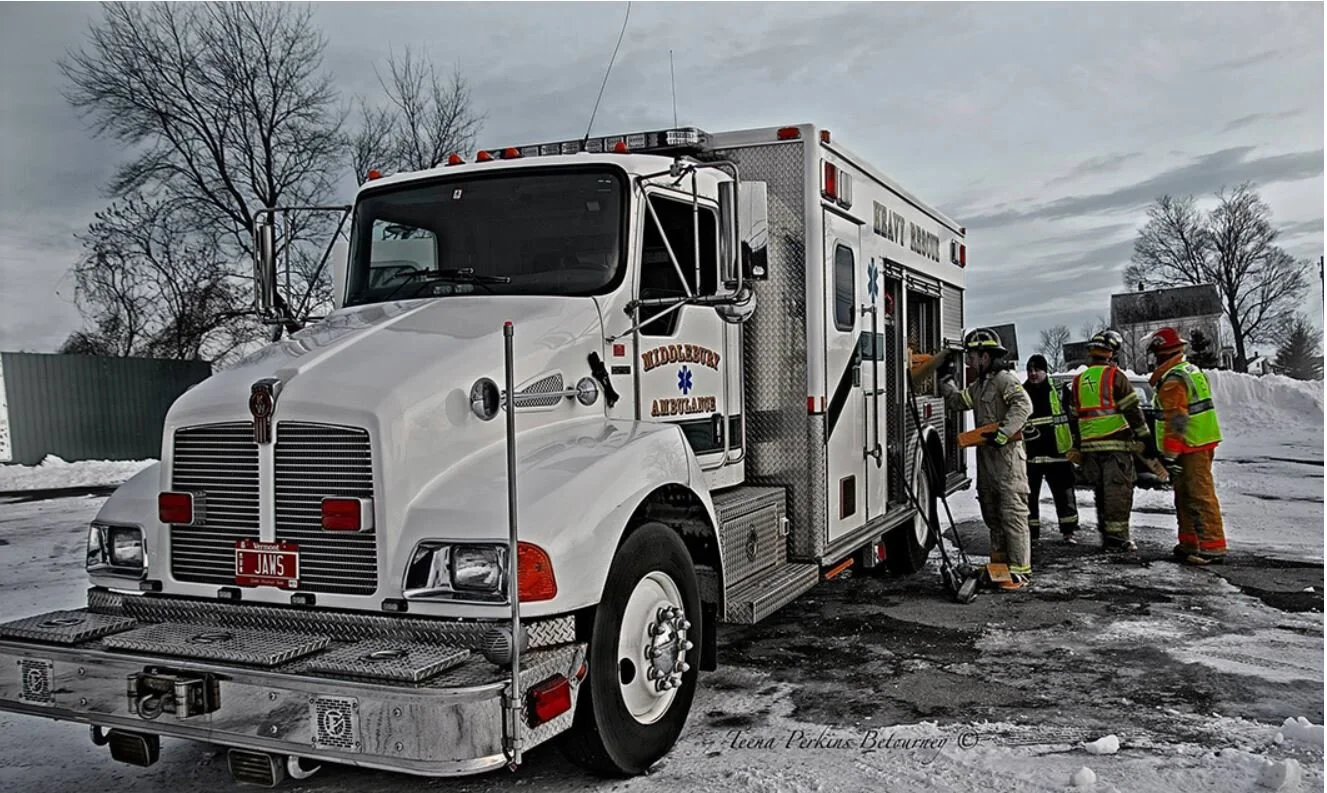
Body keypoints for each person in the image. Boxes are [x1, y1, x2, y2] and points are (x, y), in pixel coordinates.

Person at [938, 328, 1034, 589]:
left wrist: (1004, 433)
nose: (969, 362)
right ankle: (1000, 568)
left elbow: (1023, 405)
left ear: (985, 356)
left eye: (971, 357)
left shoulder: (1005, 380)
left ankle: (1019, 572)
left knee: (1012, 514)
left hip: (1008, 460)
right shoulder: (980, 386)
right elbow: (958, 401)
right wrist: (945, 380)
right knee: (993, 515)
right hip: (988, 460)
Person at [1146, 327, 1227, 565]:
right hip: (1197, 441)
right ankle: (1189, 543)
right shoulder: (1189, 371)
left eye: (1154, 354)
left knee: (1199, 495)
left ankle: (1212, 546)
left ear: (1161, 353)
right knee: (1185, 495)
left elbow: (1177, 420)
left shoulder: (1173, 380)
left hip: (1189, 445)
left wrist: (1169, 454)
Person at [1066, 330, 1151, 552]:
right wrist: (1145, 437)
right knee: (1117, 493)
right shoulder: (1115, 376)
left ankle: (1107, 534)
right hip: (1115, 447)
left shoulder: (1078, 381)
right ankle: (1118, 539)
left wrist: (1078, 446)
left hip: (1090, 449)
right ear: (1111, 353)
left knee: (1101, 493)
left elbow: (1074, 417)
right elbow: (1132, 410)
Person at [1023, 354, 1080, 544]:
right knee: (1029, 498)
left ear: (1045, 371)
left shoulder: (1059, 390)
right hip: (1032, 455)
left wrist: (1075, 444)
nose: (1033, 374)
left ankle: (1068, 532)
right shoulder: (1022, 392)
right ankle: (1032, 534)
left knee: (1064, 495)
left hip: (1058, 453)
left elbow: (1073, 417)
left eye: (1037, 370)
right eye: (1030, 370)